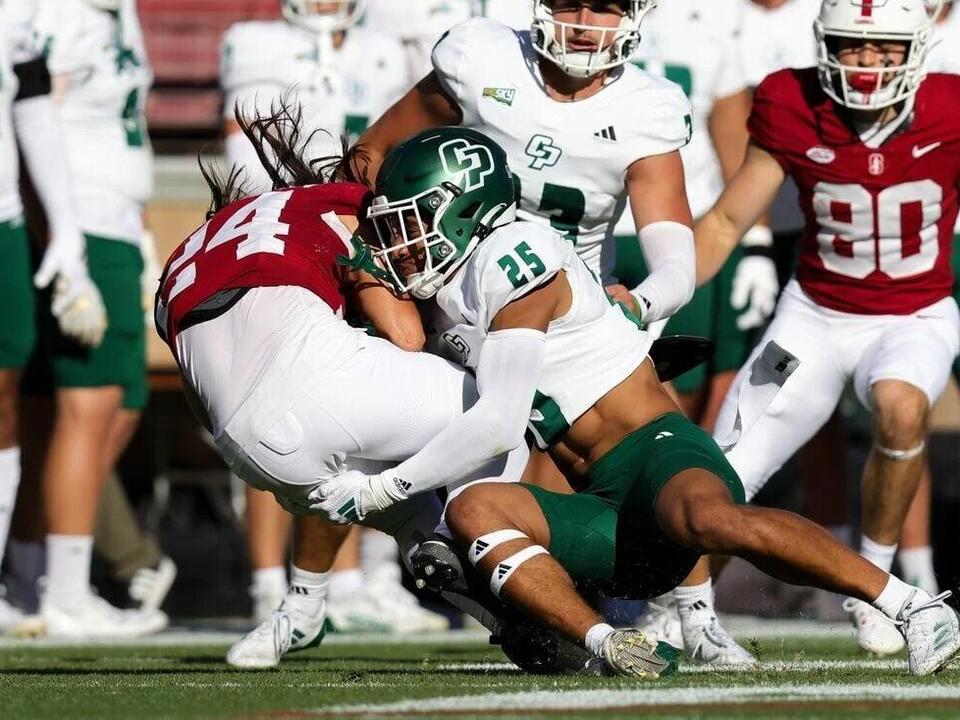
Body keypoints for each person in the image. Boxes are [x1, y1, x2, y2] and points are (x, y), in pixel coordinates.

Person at [313, 125, 960, 678]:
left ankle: (911, 604)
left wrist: (384, 489)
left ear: (462, 210)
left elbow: (500, 420)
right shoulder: (445, 289)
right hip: (601, 507)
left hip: (655, 454)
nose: (402, 241)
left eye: (414, 221)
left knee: (705, 521)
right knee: (475, 509)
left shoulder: (515, 253)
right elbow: (409, 350)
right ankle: (606, 643)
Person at [352, 0, 756, 664]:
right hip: (455, 300)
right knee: (416, 454)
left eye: (603, 9)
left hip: (569, 314)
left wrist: (643, 303)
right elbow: (372, 157)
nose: (583, 23)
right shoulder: (480, 56)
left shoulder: (645, 107)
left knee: (643, 453)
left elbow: (677, 258)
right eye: (570, 4)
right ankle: (313, 595)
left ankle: (694, 614)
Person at [154, 107, 534, 671]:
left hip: (245, 446)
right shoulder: (350, 211)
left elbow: (201, 403)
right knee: (508, 411)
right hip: (313, 379)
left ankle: (317, 602)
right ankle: (534, 568)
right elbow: (406, 337)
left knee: (383, 493)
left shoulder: (197, 247)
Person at [696, 0, 960, 656]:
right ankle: (687, 611)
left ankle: (872, 585)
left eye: (882, 50)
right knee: (725, 469)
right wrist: (650, 298)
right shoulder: (792, 98)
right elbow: (728, 219)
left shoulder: (950, 105)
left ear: (915, 51)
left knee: (902, 408)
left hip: (913, 316)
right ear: (824, 45)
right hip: (813, 315)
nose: (866, 63)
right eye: (850, 46)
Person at [220, 0, 446, 638]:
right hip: (289, 243)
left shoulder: (384, 46)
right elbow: (247, 161)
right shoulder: (255, 41)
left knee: (370, 415)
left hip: (370, 239)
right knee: (277, 415)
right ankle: (270, 579)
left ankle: (363, 578)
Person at [609, 0, 772, 663]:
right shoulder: (572, 15)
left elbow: (731, 135)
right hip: (592, 237)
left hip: (683, 236)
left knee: (683, 415)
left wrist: (755, 239)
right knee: (619, 415)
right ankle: (631, 585)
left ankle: (676, 594)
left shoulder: (715, 19)